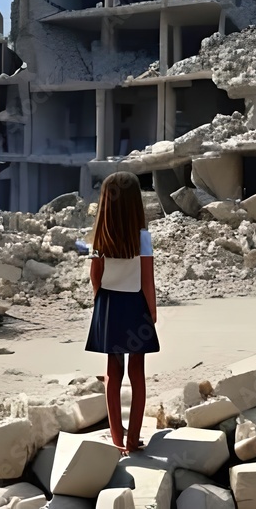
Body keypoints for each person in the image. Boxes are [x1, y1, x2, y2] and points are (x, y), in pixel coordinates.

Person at [84, 172, 159, 455]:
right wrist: (151, 313)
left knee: (112, 373)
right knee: (137, 373)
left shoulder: (99, 238)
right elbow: (147, 280)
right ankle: (133, 439)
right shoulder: (143, 238)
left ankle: (117, 438)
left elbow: (95, 276)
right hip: (135, 305)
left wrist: (100, 304)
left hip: (109, 305)